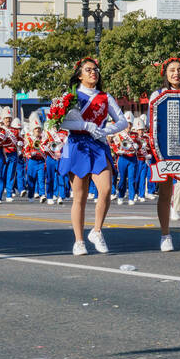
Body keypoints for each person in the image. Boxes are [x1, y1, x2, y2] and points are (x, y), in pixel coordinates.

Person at [56, 57, 127, 255]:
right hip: (77, 145)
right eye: (88, 70)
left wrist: (105, 131)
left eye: (95, 69)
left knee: (105, 189)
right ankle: (79, 241)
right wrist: (85, 125)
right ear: (79, 74)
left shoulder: (105, 97)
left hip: (98, 145)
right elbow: (61, 123)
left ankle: (96, 231)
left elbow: (122, 121)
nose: (93, 72)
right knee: (80, 196)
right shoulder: (70, 96)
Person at [150, 58, 180, 251]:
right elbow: (152, 122)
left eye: (179, 70)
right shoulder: (158, 94)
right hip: (165, 148)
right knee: (165, 191)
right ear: (165, 74)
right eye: (172, 70)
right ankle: (165, 235)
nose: (176, 73)